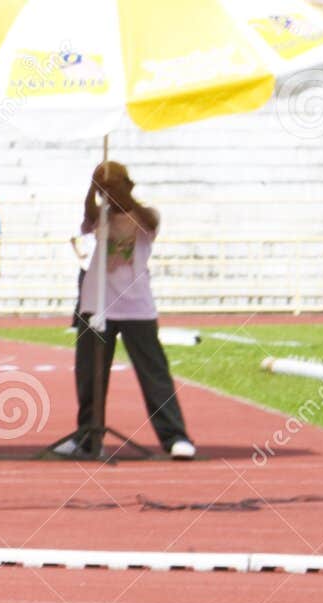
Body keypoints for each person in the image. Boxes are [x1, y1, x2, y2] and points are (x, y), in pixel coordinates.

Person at [67, 161, 195, 460]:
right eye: (106, 188)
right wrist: (93, 187)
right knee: (89, 374)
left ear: (129, 186)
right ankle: (88, 437)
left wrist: (120, 192)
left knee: (153, 373)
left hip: (136, 306)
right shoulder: (99, 216)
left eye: (115, 186)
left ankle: (175, 436)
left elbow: (148, 222)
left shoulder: (145, 216)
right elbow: (87, 218)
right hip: (96, 305)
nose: (109, 193)